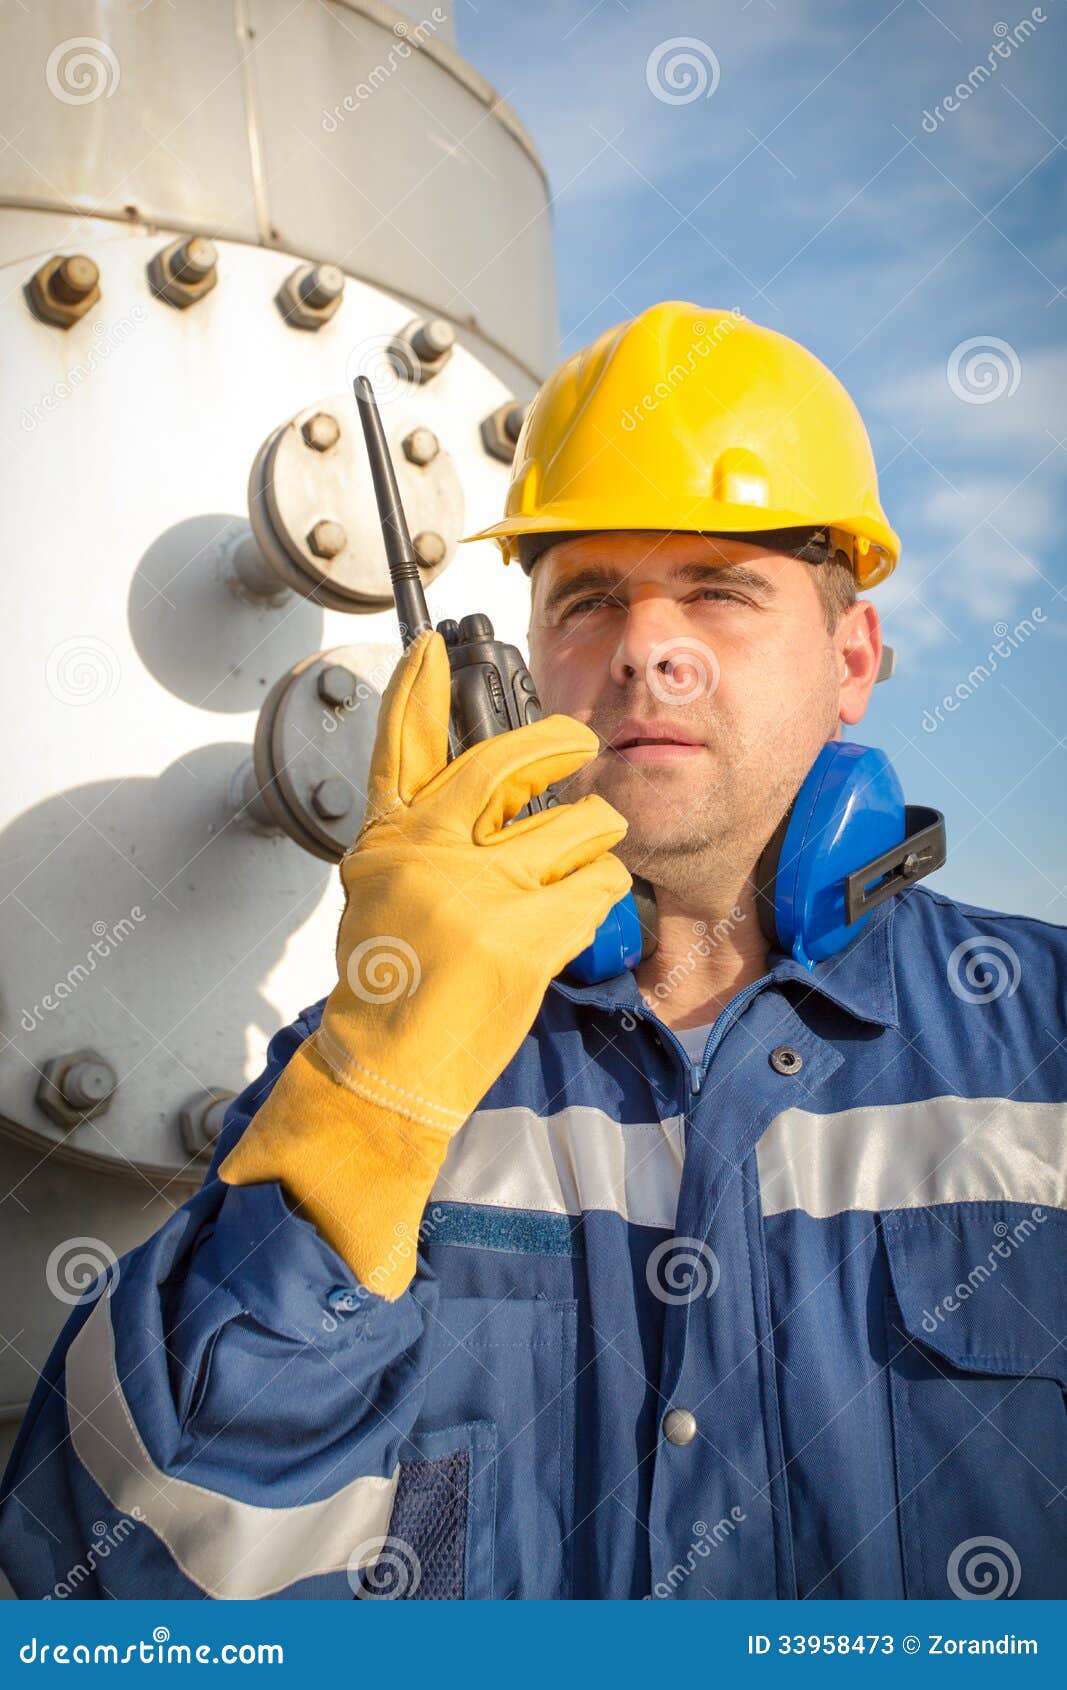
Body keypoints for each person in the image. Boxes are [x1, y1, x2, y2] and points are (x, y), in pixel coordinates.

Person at [2, 303, 1064, 1601]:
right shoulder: (365, 1061)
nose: (646, 646)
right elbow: (108, 1593)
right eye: (590, 599)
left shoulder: (1048, 1037)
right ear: (526, 669)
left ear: (853, 659)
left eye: (720, 591)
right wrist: (373, 1098)